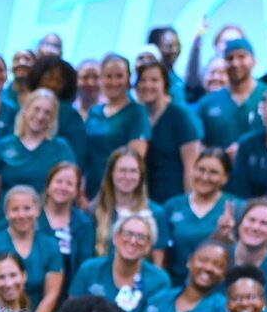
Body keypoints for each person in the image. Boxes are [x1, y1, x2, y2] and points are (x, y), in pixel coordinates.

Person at [0, 88, 75, 227]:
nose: (40, 116)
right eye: (36, 109)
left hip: (43, 222)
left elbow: (70, 187)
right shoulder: (4, 145)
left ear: (53, 118)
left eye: (47, 112)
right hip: (4, 220)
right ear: (25, 110)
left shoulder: (61, 148)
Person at [0, 186, 64, 312]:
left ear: (38, 210)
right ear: (6, 213)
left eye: (27, 208)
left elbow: (51, 294)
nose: (21, 215)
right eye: (15, 209)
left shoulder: (50, 245)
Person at [70, 213, 171, 312]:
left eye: (141, 237)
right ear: (115, 237)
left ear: (149, 245)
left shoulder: (159, 281)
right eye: (127, 234)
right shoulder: (89, 269)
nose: (133, 241)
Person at [161, 149, 238, 286]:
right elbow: (161, 252)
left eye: (213, 173)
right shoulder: (172, 206)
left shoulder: (236, 208)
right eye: (200, 170)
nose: (205, 177)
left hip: (217, 286)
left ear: (225, 177)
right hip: (176, 284)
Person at [83, 55, 150, 199]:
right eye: (108, 76)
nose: (114, 82)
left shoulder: (137, 112)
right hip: (90, 190)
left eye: (119, 76)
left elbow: (135, 158)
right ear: (101, 79)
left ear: (128, 79)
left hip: (118, 192)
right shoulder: (94, 112)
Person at [136, 61, 201, 204]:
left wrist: (187, 203)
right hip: (143, 200)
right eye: (143, 80)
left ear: (164, 84)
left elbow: (191, 165)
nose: (148, 85)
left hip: (173, 199)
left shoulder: (180, 116)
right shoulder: (136, 115)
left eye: (154, 80)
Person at [91, 149, 170, 265]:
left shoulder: (156, 213)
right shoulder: (94, 210)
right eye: (122, 171)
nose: (127, 176)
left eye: (133, 171)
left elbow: (158, 265)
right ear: (111, 173)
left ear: (140, 176)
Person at [196, 39, 266, 150]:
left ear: (254, 60)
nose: (235, 63)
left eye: (241, 57)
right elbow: (198, 144)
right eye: (229, 58)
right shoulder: (208, 103)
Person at [25, 54, 89, 163]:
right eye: (48, 77)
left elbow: (78, 153)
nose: (53, 84)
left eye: (59, 81)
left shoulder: (69, 114)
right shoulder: (24, 106)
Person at [40, 161, 95, 274]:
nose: (63, 187)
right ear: (48, 186)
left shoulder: (84, 224)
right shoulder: (32, 217)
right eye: (58, 181)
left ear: (76, 191)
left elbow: (84, 266)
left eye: (69, 184)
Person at [231, 197, 267, 283]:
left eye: (264, 223)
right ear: (239, 223)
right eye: (251, 220)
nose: (255, 227)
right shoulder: (218, 257)